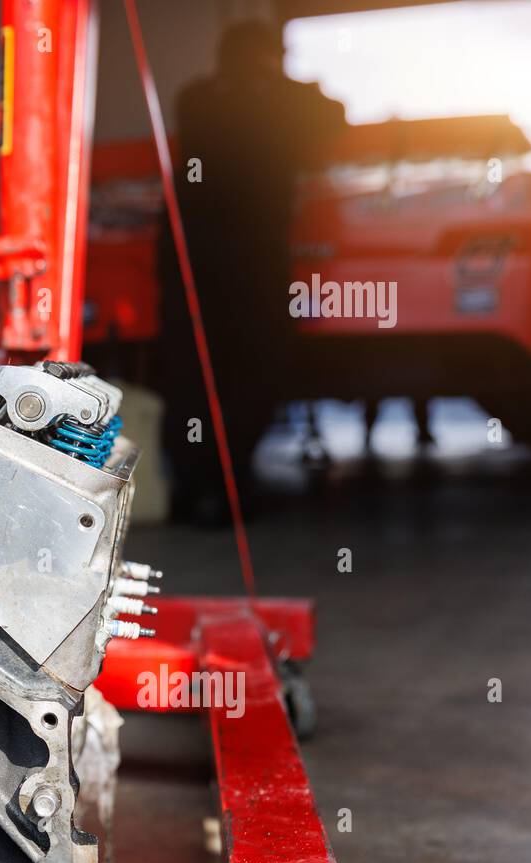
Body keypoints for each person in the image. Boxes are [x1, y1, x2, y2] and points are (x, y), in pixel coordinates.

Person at [156, 20, 346, 523]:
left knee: (191, 371)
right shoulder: (280, 99)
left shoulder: (196, 96)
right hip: (249, 257)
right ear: (266, 56)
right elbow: (334, 116)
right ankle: (227, 486)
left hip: (185, 254)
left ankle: (193, 489)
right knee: (254, 368)